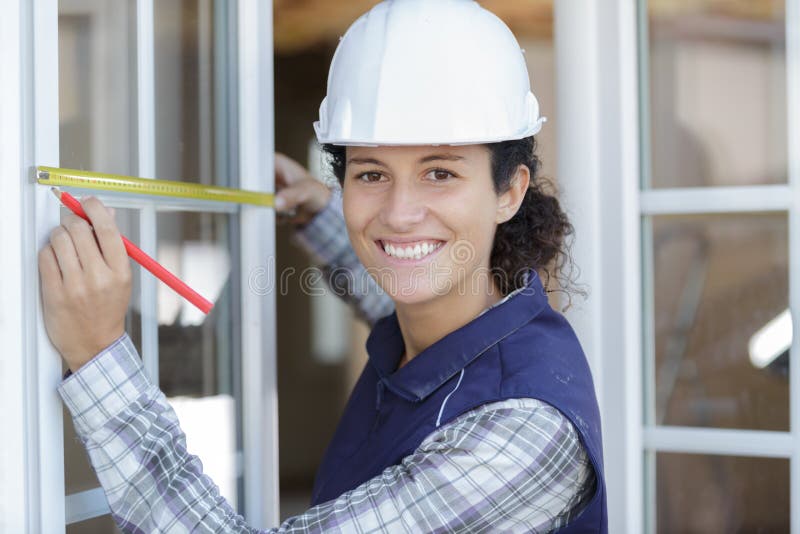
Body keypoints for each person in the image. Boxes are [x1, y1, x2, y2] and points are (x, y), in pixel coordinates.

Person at [39, 0, 607, 531]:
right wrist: (319, 214)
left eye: (440, 173)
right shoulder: (457, 322)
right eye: (371, 173)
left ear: (509, 191)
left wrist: (97, 358)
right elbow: (394, 292)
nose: (400, 214)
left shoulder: (522, 436)